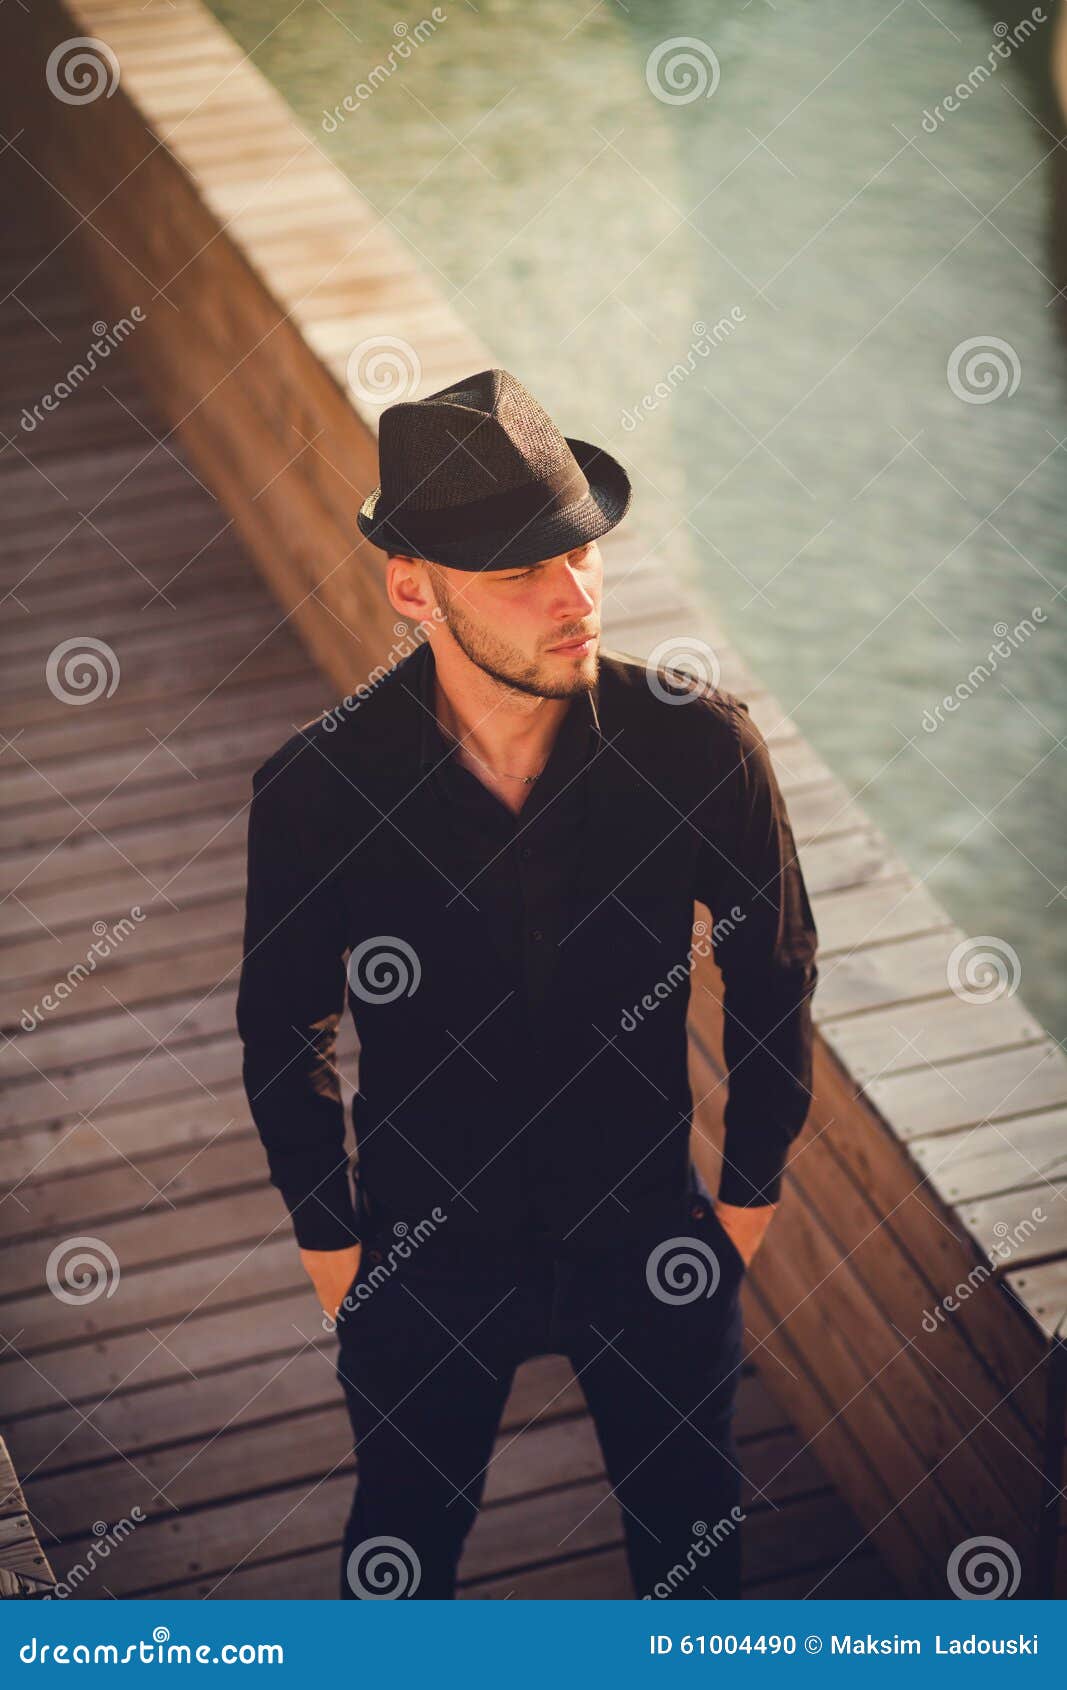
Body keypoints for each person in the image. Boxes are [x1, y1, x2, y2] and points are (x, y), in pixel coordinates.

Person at [235, 368, 819, 1600]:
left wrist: (744, 1204)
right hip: (424, 1242)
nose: (571, 598)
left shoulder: (697, 747)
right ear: (413, 589)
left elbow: (774, 973)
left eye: (580, 555)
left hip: (646, 1234)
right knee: (397, 1560)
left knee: (693, 1564)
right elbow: (283, 1023)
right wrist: (330, 1239)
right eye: (517, 574)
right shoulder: (318, 789)